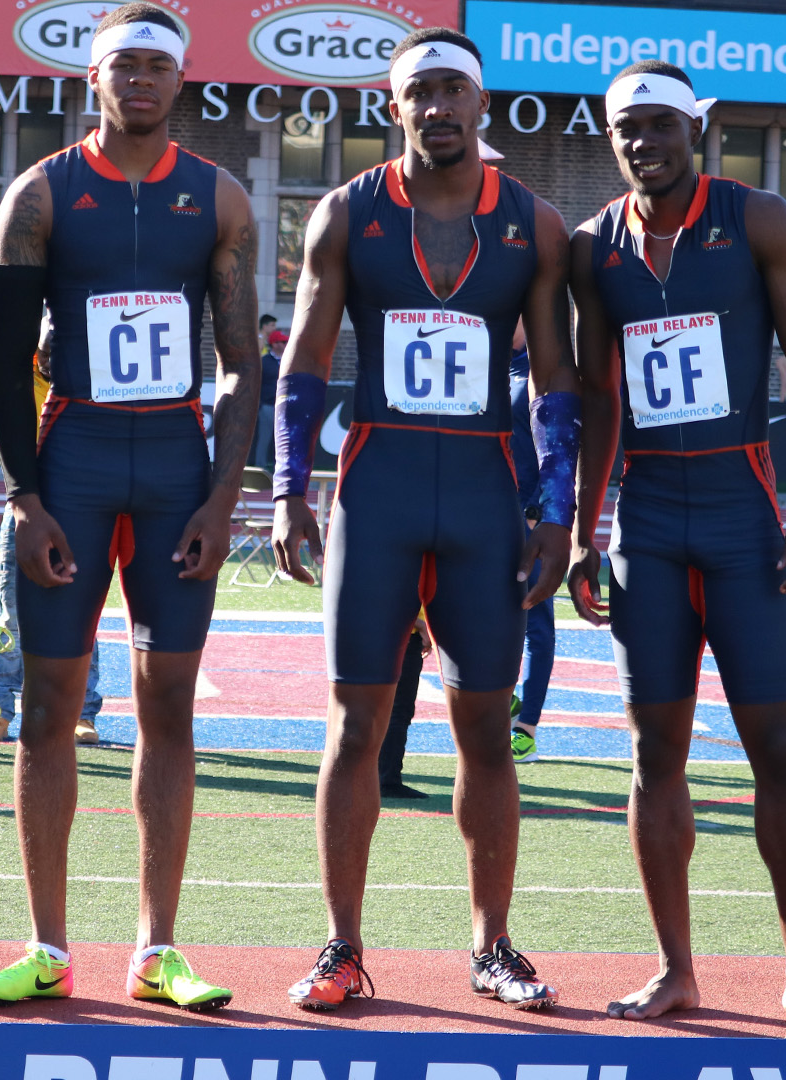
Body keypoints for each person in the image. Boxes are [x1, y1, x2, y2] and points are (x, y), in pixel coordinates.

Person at [272, 27, 576, 1012]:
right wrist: (285, 489)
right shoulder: (347, 215)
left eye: (455, 90)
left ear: (482, 106)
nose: (438, 106)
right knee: (354, 724)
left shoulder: (533, 225)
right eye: (420, 92)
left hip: (486, 500)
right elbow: (306, 363)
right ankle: (342, 947)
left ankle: (493, 946)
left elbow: (556, 383)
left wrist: (555, 509)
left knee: (485, 728)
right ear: (391, 106)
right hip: (378, 491)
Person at [0, 2, 260, 1012]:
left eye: (156, 66)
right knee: (47, 713)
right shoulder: (40, 196)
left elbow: (239, 363)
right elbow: (6, 362)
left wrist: (225, 495)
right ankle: (46, 945)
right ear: (92, 79)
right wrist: (24, 496)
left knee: (167, 713)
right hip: (74, 460)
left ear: (181, 82)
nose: (139, 80)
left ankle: (158, 950)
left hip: (176, 467)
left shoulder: (218, 201)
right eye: (121, 65)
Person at [565, 61, 786, 1036]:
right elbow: (599, 398)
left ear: (700, 127)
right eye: (625, 130)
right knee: (656, 757)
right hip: (649, 532)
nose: (642, 143)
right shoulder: (591, 249)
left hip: (743, 526)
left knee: (779, 750)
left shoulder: (759, 219)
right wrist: (583, 529)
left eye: (660, 125)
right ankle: (676, 969)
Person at [0, 317, 108, 746]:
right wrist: (13, 335)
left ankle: (81, 711)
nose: (52, 358)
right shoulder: (17, 367)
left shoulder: (93, 381)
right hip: (23, 507)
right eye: (46, 348)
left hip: (84, 506)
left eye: (62, 347)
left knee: (82, 614)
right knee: (11, 610)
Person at [505, 319, 552, 764]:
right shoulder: (483, 368)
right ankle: (505, 699)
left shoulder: (544, 370)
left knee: (536, 623)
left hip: (529, 517)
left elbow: (558, 449)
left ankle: (527, 729)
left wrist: (540, 510)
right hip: (488, 516)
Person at [375, 619, 431, 799]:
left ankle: (365, 776)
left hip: (371, 630)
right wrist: (420, 624)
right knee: (398, 710)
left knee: (370, 707)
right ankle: (387, 779)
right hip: (403, 632)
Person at [254, 325, 286, 468]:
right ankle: (260, 467)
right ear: (274, 344)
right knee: (265, 438)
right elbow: (256, 383)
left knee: (282, 440)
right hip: (268, 405)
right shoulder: (264, 362)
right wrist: (259, 403)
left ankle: (279, 468)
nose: (285, 345)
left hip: (285, 406)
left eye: (286, 342)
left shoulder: (288, 360)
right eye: (282, 342)